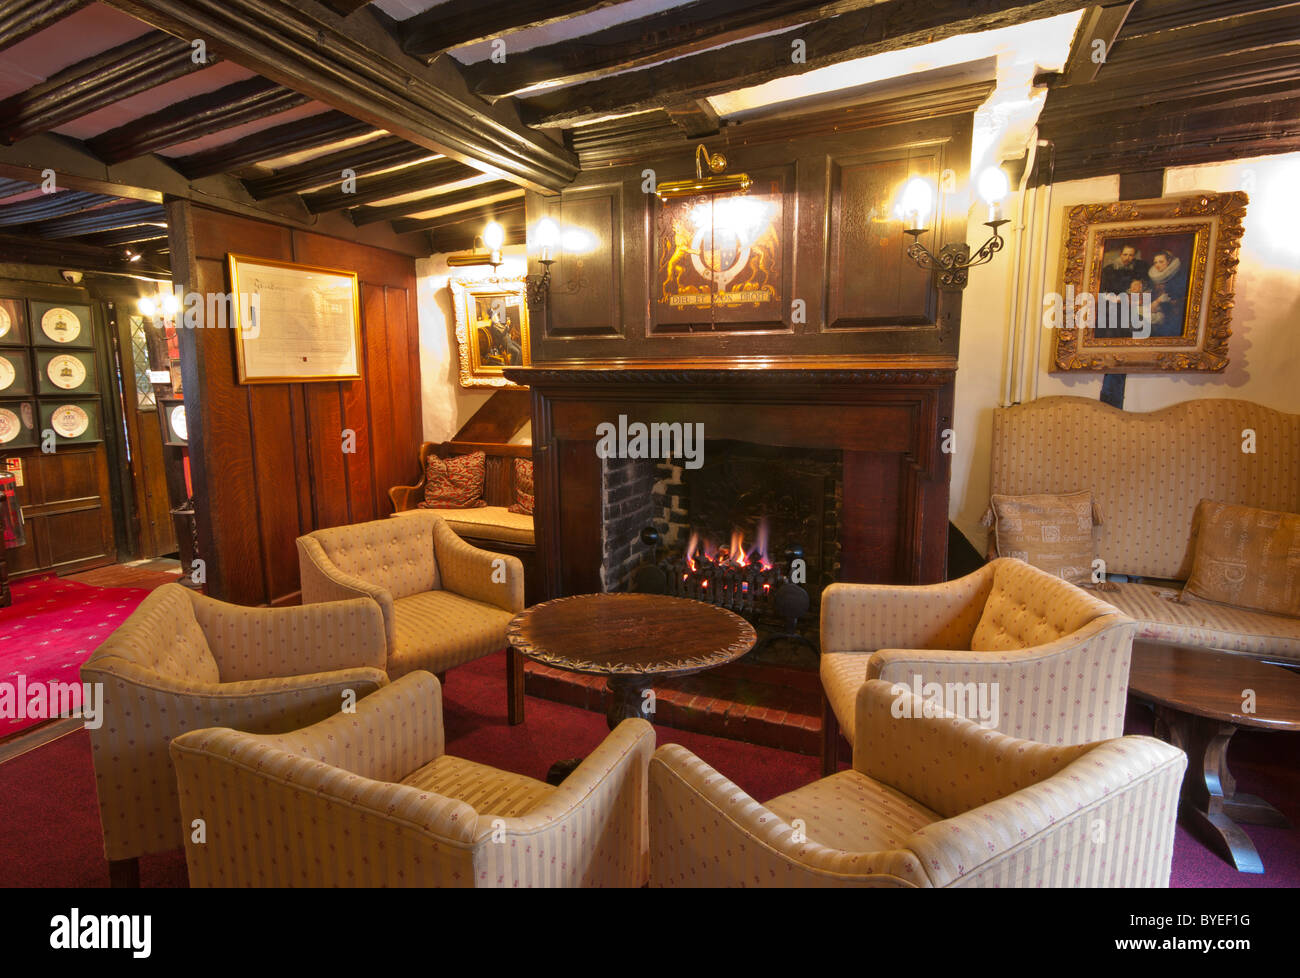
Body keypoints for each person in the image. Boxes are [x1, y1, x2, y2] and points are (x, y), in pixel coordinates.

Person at [1146, 250, 1187, 337]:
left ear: (1168, 262)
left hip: (1172, 312)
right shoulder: (1154, 277)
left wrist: (1158, 301)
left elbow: (1177, 296)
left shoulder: (1177, 276)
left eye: (1161, 262)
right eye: (1155, 262)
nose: (1157, 265)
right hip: (1157, 311)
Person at [486, 298, 522, 365]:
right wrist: (507, 326)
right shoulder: (493, 326)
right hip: (505, 344)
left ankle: (513, 364)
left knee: (521, 349)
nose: (496, 316)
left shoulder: (498, 323)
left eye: (496, 315)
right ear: (492, 317)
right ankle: (514, 367)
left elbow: (506, 331)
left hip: (509, 341)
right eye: (495, 315)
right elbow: (501, 335)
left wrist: (508, 326)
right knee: (517, 352)